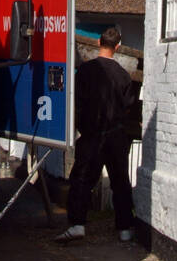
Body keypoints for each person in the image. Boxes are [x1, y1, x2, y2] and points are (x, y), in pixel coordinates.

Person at [56, 27, 138, 243]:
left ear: (99, 42)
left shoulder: (85, 71)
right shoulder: (123, 75)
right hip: (116, 134)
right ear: (117, 47)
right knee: (120, 180)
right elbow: (128, 106)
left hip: (92, 134)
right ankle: (125, 228)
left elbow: (77, 101)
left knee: (82, 178)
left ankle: (77, 224)